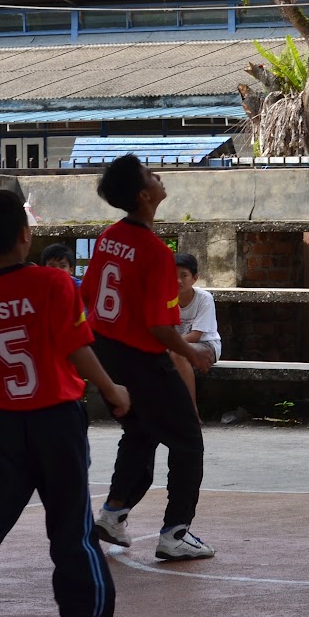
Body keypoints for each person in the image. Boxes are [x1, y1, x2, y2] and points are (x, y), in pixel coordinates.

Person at [0, 188, 128, 617]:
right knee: (71, 531)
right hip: (55, 419)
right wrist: (112, 389)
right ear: (25, 234)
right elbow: (77, 347)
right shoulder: (53, 283)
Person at [83, 155, 216, 562]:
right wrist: (191, 351)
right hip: (141, 357)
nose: (159, 178)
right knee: (188, 439)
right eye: (152, 175)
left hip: (105, 352)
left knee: (139, 433)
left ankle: (113, 513)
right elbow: (160, 327)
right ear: (145, 195)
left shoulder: (108, 237)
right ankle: (176, 531)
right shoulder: (158, 253)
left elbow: (88, 294)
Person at [170, 253, 221, 412]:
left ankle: (190, 411)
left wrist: (171, 346)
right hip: (175, 346)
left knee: (177, 354)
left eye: (184, 275)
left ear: (194, 278)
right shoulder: (166, 298)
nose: (178, 280)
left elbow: (196, 335)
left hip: (205, 345)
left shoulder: (204, 298)